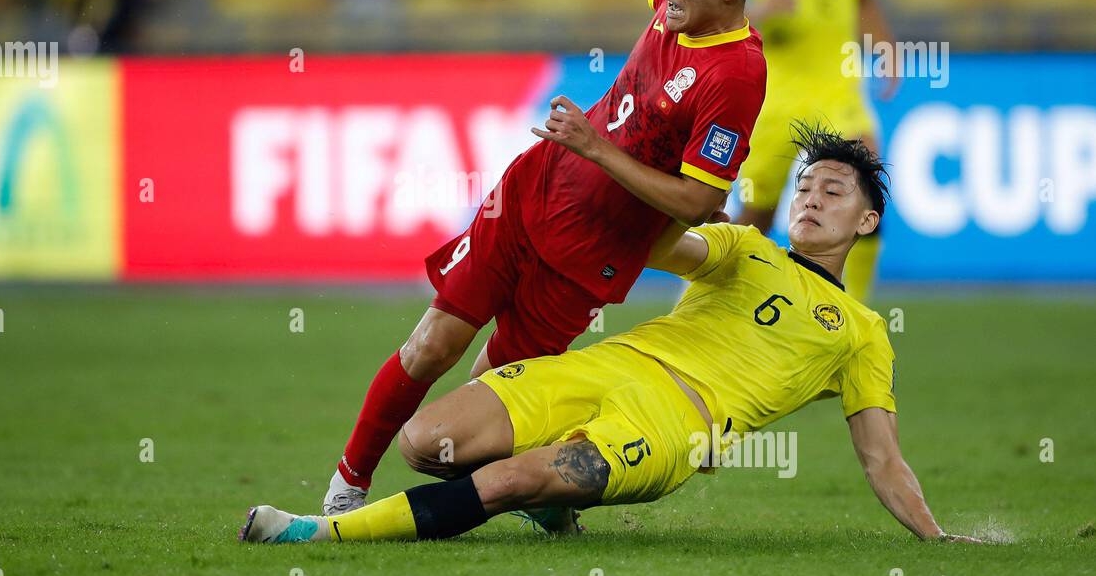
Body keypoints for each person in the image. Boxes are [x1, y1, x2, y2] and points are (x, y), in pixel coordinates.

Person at [244, 125, 982, 546]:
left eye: (833, 191)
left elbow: (882, 458)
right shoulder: (745, 249)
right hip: (605, 367)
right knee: (424, 443)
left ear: (866, 222)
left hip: (673, 422)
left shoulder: (861, 332)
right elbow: (665, 249)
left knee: (506, 480)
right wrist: (642, 179)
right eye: (806, 186)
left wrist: (935, 538)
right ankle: (549, 501)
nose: (812, 198)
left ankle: (315, 535)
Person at [320, 0, 766, 517]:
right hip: (531, 195)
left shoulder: (734, 75)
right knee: (431, 341)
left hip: (593, 257)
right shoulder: (677, 6)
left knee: (474, 430)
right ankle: (345, 487)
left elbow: (703, 202)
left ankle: (541, 492)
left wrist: (598, 149)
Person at [739, 0, 900, 301]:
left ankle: (852, 319)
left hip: (837, 89)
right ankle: (692, 322)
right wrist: (760, 9)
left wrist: (885, 47)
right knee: (750, 226)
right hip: (773, 97)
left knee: (866, 190)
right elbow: (722, 3)